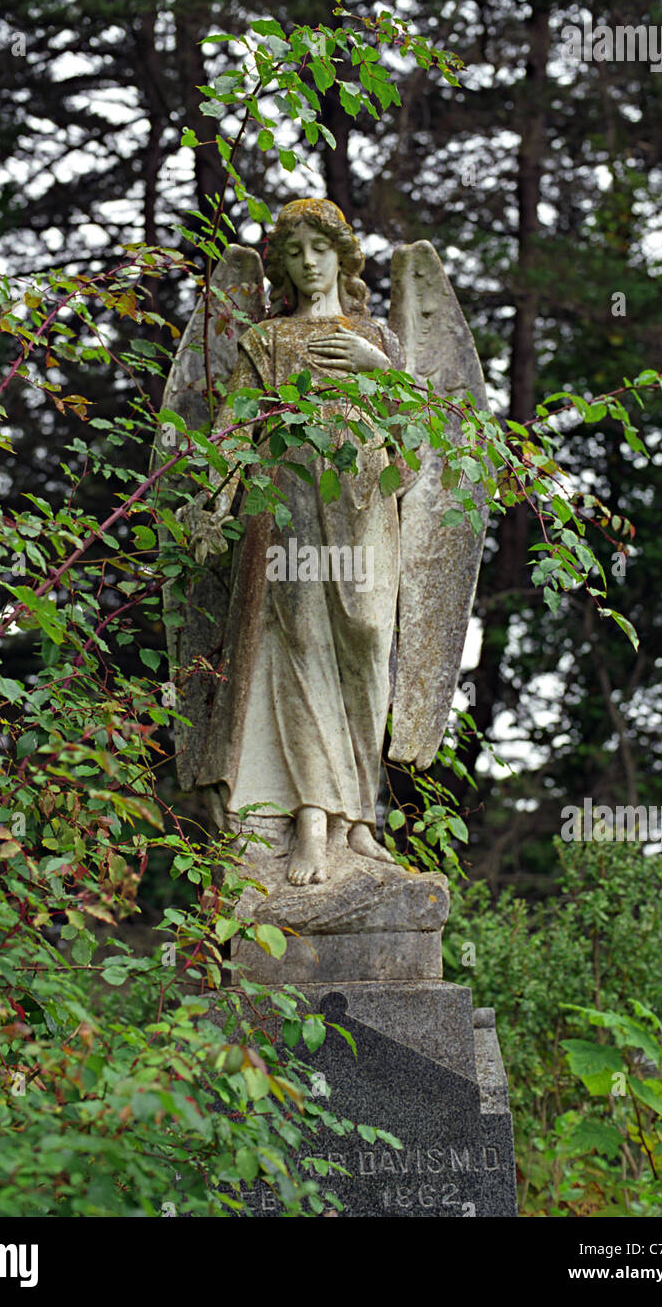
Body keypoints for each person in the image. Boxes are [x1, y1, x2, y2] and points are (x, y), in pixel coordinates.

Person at [187, 199, 405, 885]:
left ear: (343, 256)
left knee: (369, 640)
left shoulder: (377, 338)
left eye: (319, 248)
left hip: (365, 506)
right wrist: (212, 504)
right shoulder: (268, 341)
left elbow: (426, 442)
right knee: (302, 643)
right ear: (281, 265)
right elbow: (231, 432)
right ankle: (313, 819)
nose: (308, 262)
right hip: (287, 507)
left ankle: (361, 818)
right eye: (294, 252)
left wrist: (380, 371)